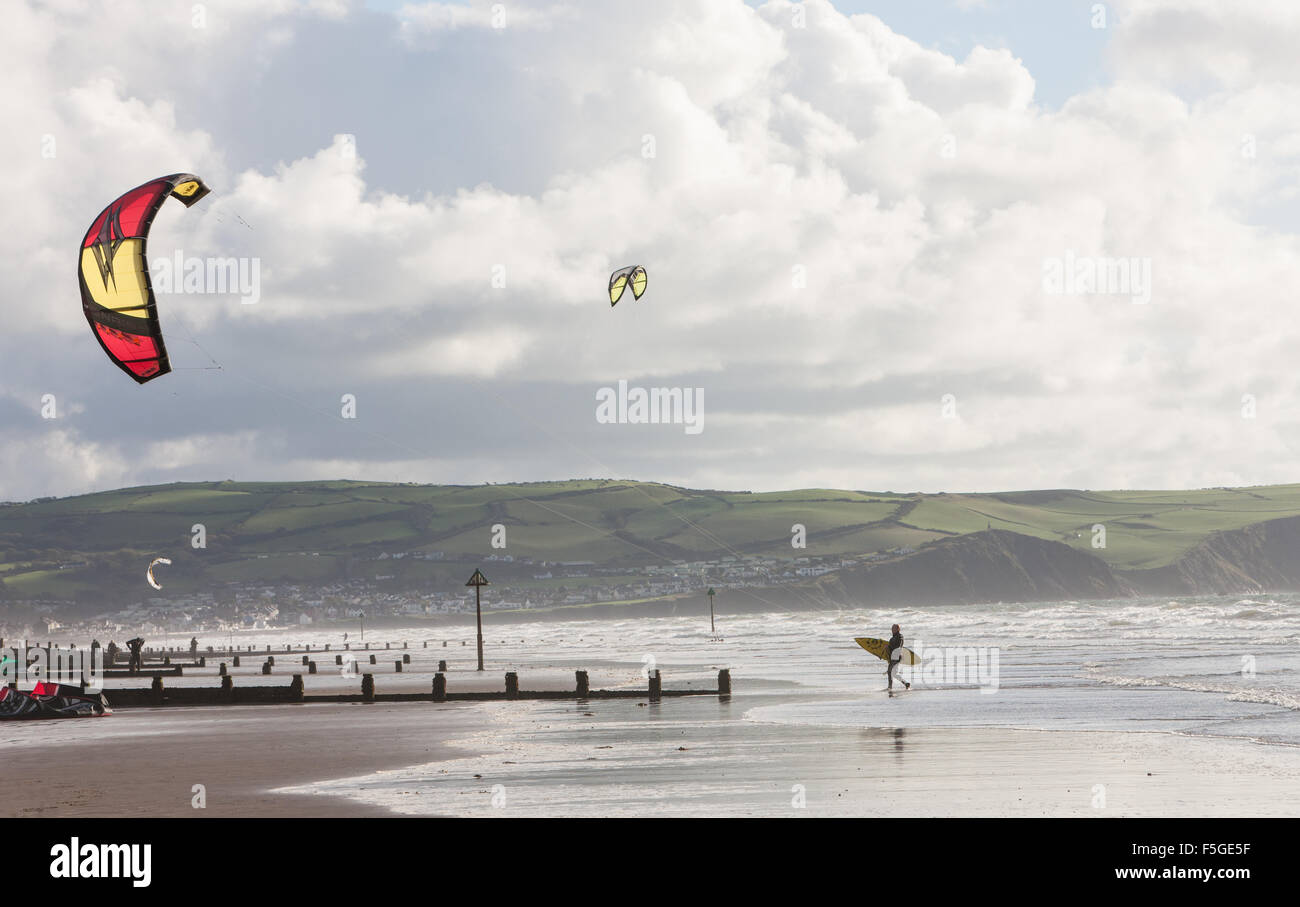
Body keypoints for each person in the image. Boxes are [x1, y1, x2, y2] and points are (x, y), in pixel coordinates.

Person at [886, 623, 910, 690]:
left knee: (890, 672)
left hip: (897, 656)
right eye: (892, 628)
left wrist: (889, 647)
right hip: (892, 657)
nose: (892, 630)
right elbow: (890, 649)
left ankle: (889, 687)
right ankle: (906, 683)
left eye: (894, 628)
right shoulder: (892, 638)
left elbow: (898, 647)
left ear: (898, 629)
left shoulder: (900, 636)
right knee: (894, 673)